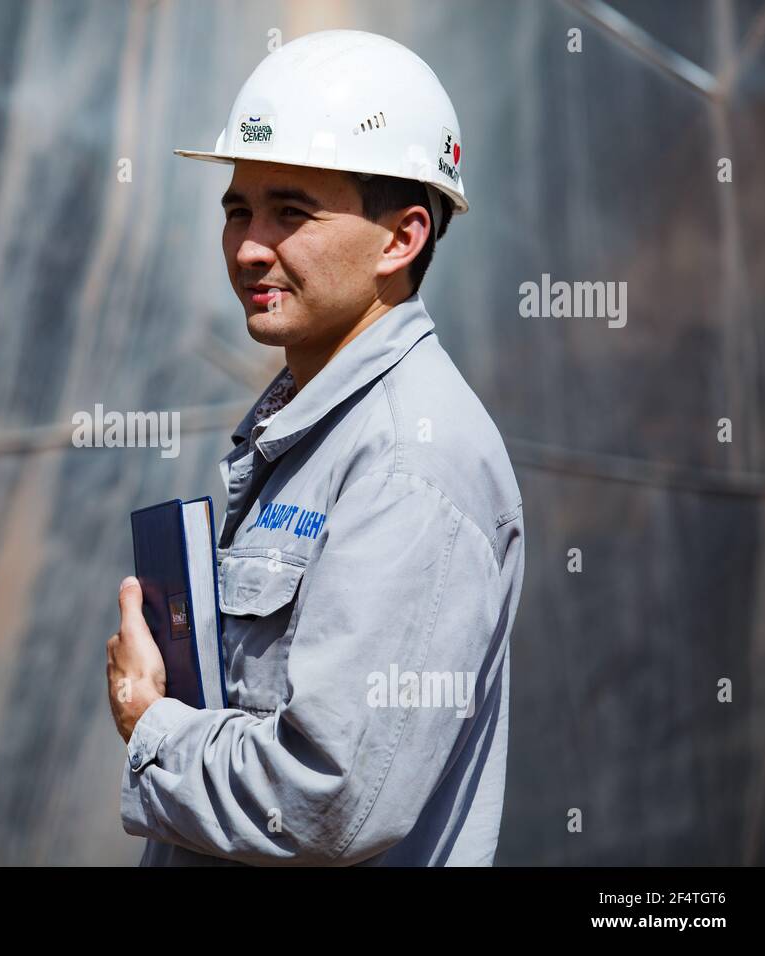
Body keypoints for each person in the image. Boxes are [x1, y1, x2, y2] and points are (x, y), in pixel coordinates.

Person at [104, 29, 525, 866]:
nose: (250, 246)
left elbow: (329, 799)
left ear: (401, 240)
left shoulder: (410, 464)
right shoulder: (314, 430)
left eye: (291, 212)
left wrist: (150, 720)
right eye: (237, 210)